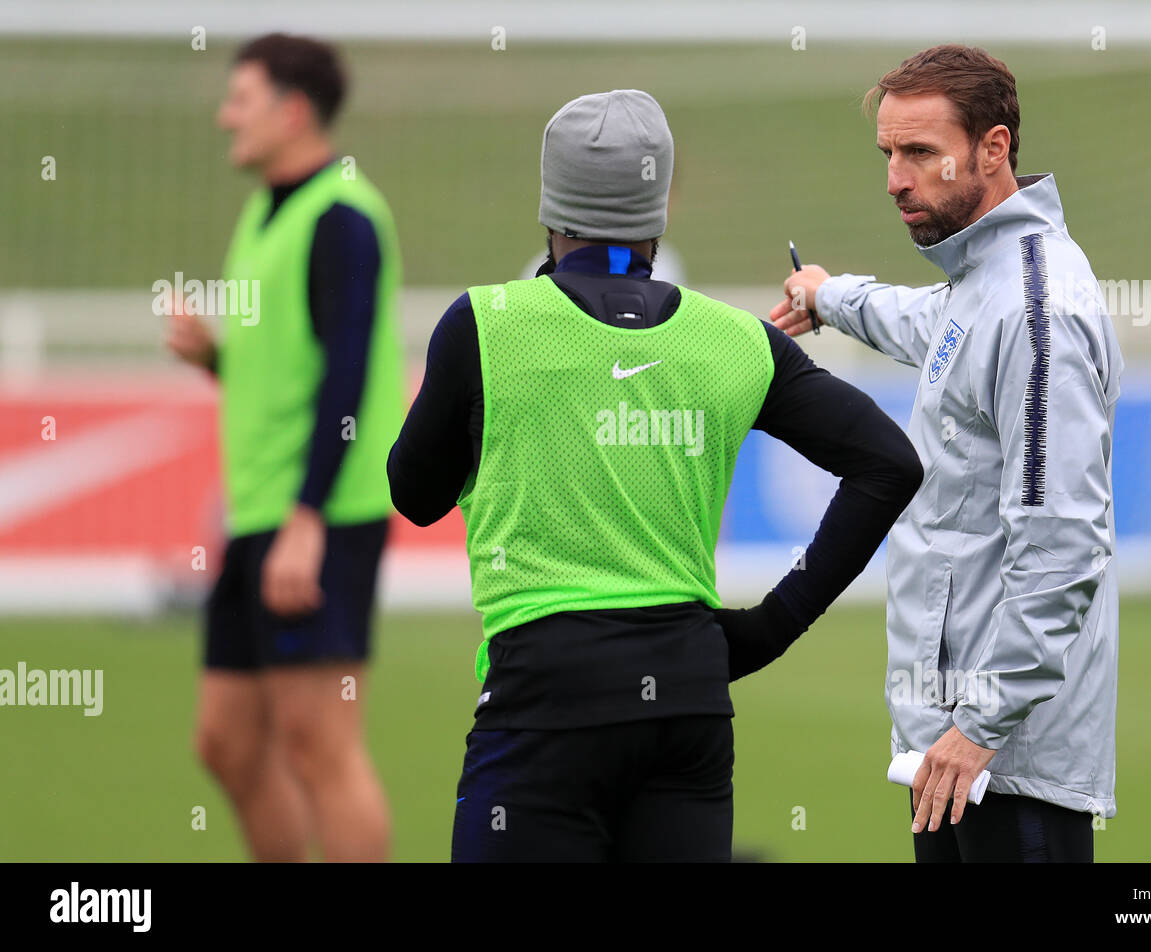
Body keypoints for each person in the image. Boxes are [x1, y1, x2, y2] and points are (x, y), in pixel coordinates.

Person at [387, 88, 922, 862]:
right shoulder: (736, 340)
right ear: (656, 210)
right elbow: (889, 463)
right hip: (688, 707)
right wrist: (771, 626)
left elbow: (416, 496)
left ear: (551, 206)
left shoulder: (484, 325)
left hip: (543, 703)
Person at [772, 44, 1123, 863]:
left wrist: (980, 726)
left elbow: (1063, 546)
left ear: (993, 150)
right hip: (952, 746)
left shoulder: (1038, 313)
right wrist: (828, 296)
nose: (896, 177)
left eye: (921, 153)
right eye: (889, 154)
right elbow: (930, 323)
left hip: (1008, 757)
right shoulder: (985, 279)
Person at [166, 33, 406, 861]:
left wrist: (307, 516)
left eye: (241, 98)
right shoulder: (269, 206)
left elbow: (346, 374)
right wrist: (216, 359)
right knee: (225, 741)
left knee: (320, 747)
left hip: (322, 515)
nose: (224, 114)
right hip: (261, 510)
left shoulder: (343, 214)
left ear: (292, 110)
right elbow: (290, 368)